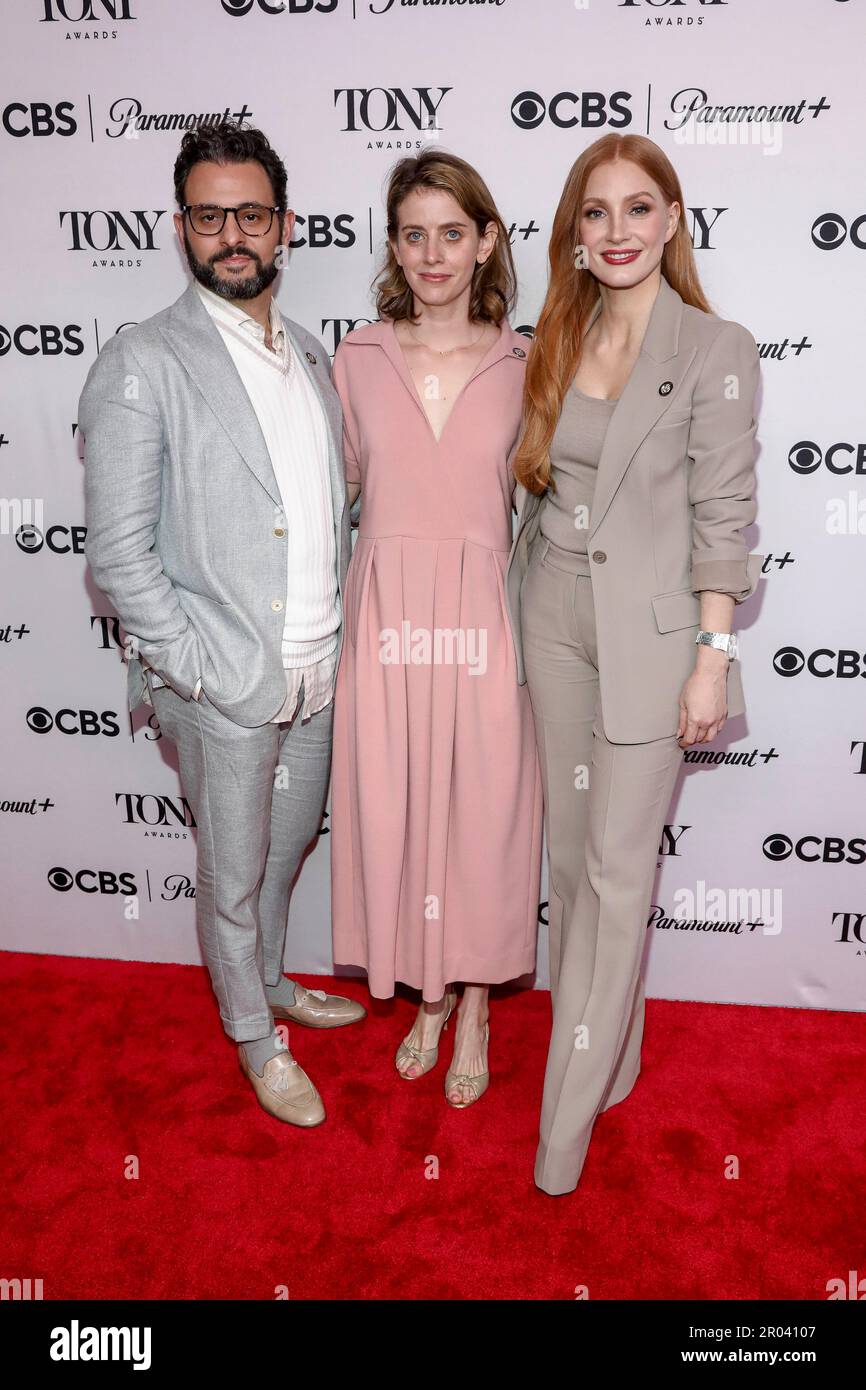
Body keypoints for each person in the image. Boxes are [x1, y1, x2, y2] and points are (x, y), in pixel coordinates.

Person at [78, 119, 365, 1131]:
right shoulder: (142, 361)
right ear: (180, 227)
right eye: (210, 216)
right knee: (230, 877)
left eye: (250, 213)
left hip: (317, 670)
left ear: (284, 226)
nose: (231, 234)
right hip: (227, 685)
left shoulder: (314, 355)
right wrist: (199, 670)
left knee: (279, 858)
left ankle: (271, 983)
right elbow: (116, 553)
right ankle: (253, 1034)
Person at [505, 133, 764, 1194]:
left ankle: (558, 1141)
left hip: (653, 641)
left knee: (617, 877)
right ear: (573, 232)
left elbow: (724, 516)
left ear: (670, 220)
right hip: (551, 614)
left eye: (637, 209)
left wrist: (710, 658)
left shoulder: (716, 348)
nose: (616, 231)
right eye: (595, 212)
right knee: (571, 865)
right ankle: (611, 1057)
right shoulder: (553, 337)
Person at [330, 149, 543, 1106]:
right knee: (401, 805)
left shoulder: (526, 362)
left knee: (480, 812)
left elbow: (551, 507)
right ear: (394, 245)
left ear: (486, 241)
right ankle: (426, 996)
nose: (432, 254)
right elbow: (325, 490)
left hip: (482, 617)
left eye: (451, 233)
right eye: (413, 234)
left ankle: (477, 1002)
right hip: (385, 616)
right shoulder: (355, 356)